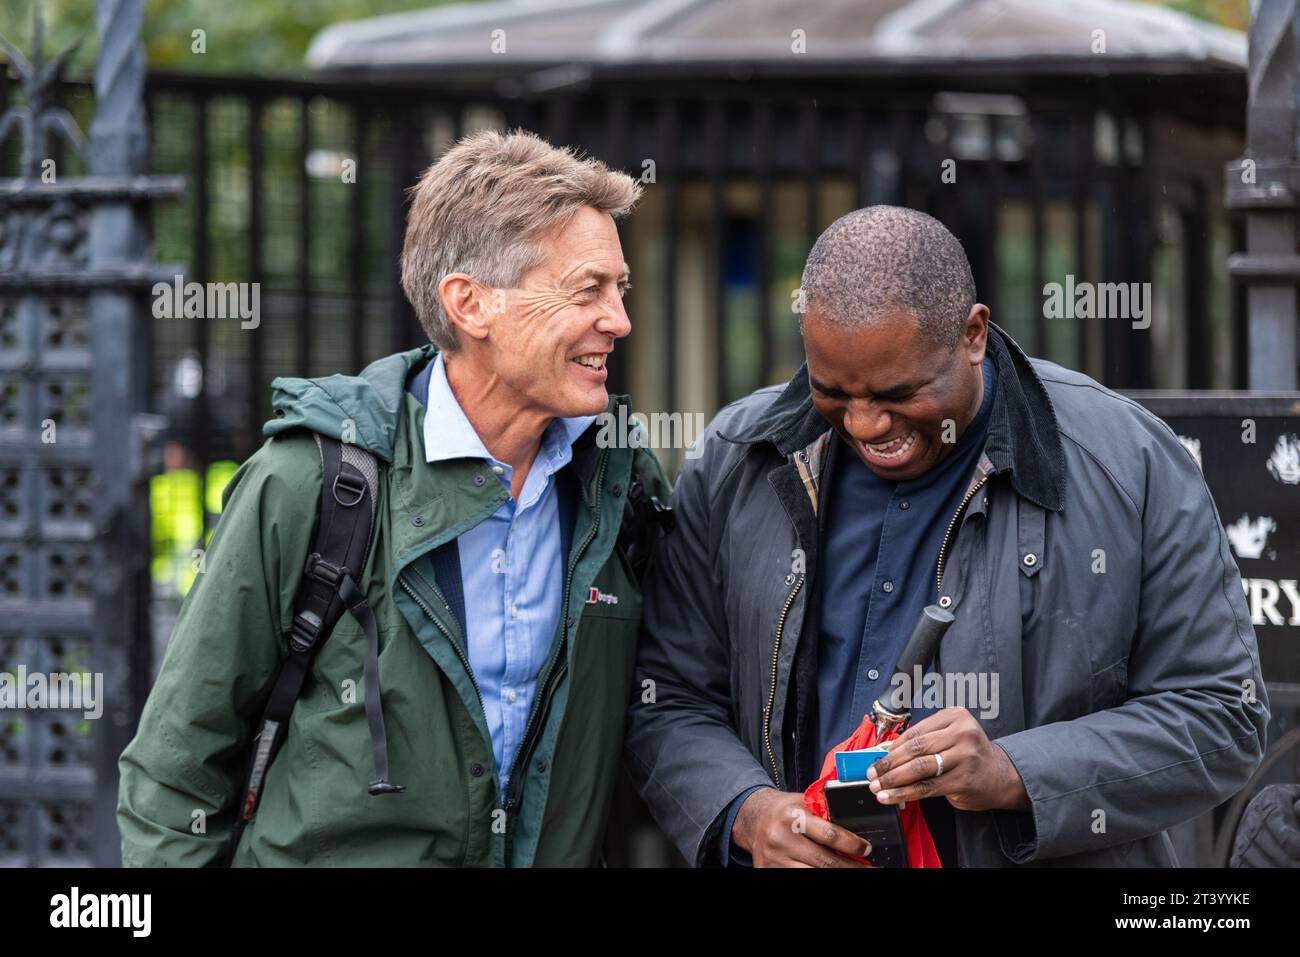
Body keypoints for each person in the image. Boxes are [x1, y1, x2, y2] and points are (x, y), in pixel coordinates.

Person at [625, 205, 1269, 867]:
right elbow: (667, 695)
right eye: (833, 392)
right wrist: (749, 812)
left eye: (898, 392)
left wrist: (1013, 771)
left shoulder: (1127, 461)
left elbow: (1223, 714)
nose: (867, 424)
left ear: (973, 333)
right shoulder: (739, 458)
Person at [118, 129, 669, 866]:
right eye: (587, 290)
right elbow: (173, 768)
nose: (619, 320)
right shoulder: (311, 484)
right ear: (469, 304)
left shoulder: (621, 485)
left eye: (620, 288)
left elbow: (678, 706)